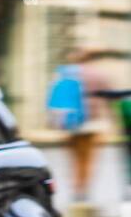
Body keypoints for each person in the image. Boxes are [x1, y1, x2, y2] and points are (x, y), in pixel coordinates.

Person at [47, 48, 111, 200]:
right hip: (91, 123)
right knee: (86, 158)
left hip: (69, 123)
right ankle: (81, 190)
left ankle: (76, 186)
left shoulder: (63, 73)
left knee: (74, 158)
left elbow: (54, 98)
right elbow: (109, 95)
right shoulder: (96, 74)